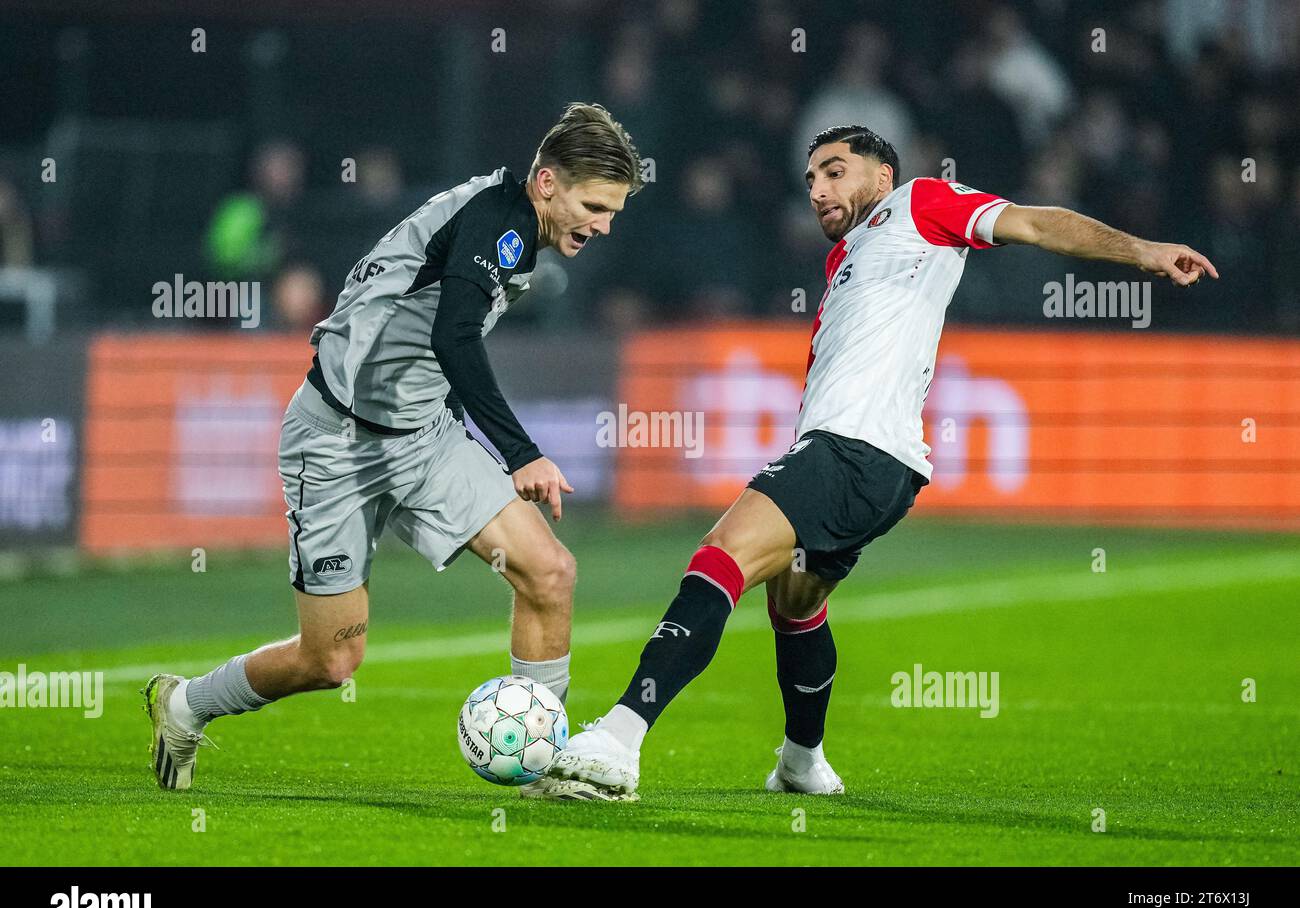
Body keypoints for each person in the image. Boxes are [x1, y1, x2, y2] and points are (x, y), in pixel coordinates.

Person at [550, 124, 1218, 799]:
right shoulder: (846, 258)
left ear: (881, 174)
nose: (818, 189)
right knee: (796, 602)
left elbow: (1037, 224)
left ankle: (618, 739)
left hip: (855, 450)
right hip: (869, 460)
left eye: (835, 171)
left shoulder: (922, 204)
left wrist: (1144, 251)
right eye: (810, 178)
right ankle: (803, 763)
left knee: (720, 556)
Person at [143, 104, 642, 800]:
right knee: (331, 660)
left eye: (615, 211)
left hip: (423, 437)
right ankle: (184, 705)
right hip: (337, 441)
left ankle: (544, 769)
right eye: (595, 205)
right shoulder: (499, 222)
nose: (603, 225)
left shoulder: (515, 220)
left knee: (549, 572)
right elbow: (454, 338)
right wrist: (521, 452)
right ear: (548, 182)